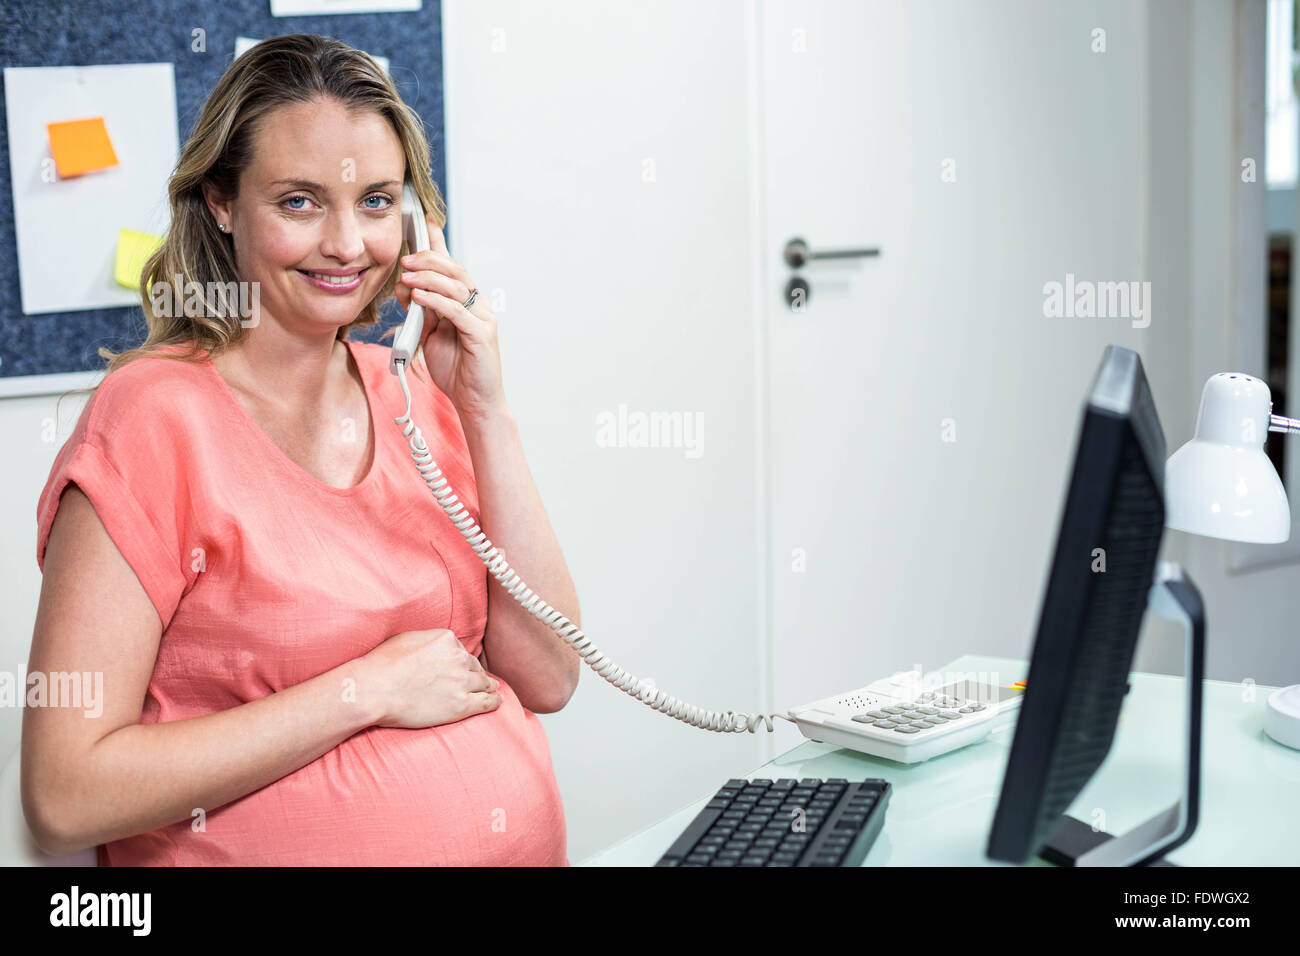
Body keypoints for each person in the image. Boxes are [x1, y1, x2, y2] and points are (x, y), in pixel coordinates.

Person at [23, 34, 579, 866]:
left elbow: (550, 678)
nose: (349, 245)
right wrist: (367, 691)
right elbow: (66, 796)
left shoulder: (414, 394)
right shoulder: (153, 418)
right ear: (220, 203)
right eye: (299, 202)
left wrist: (484, 409)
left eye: (378, 202)